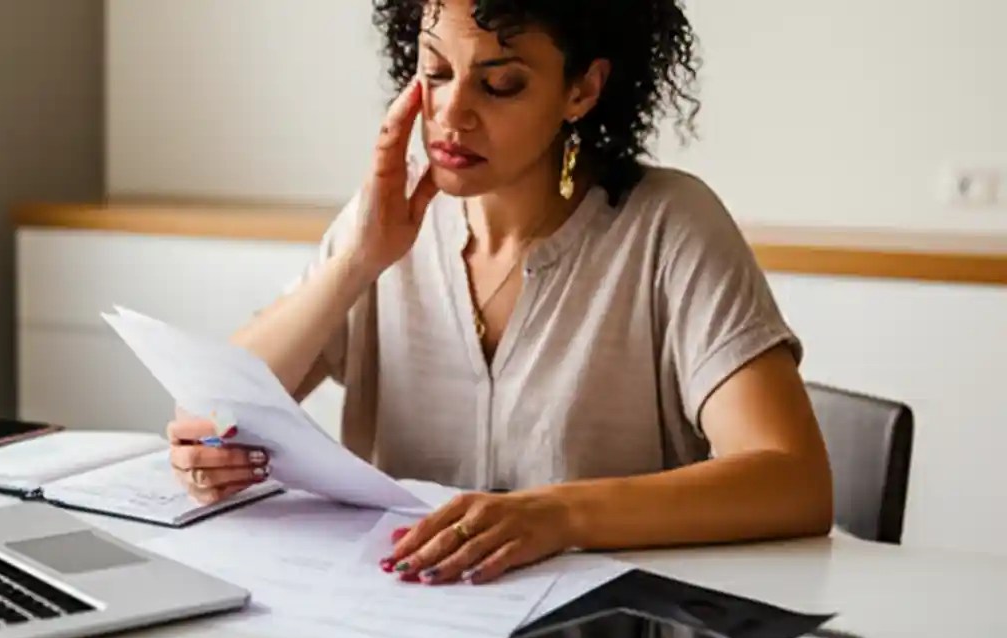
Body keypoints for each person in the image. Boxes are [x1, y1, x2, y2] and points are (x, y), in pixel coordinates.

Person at [168, 0, 832, 585]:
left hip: (600, 637)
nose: (452, 113)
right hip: (399, 622)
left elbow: (792, 479)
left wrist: (558, 514)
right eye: (434, 71)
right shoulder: (386, 223)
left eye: (502, 83)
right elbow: (211, 411)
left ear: (582, 90)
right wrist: (357, 264)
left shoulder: (669, 227)